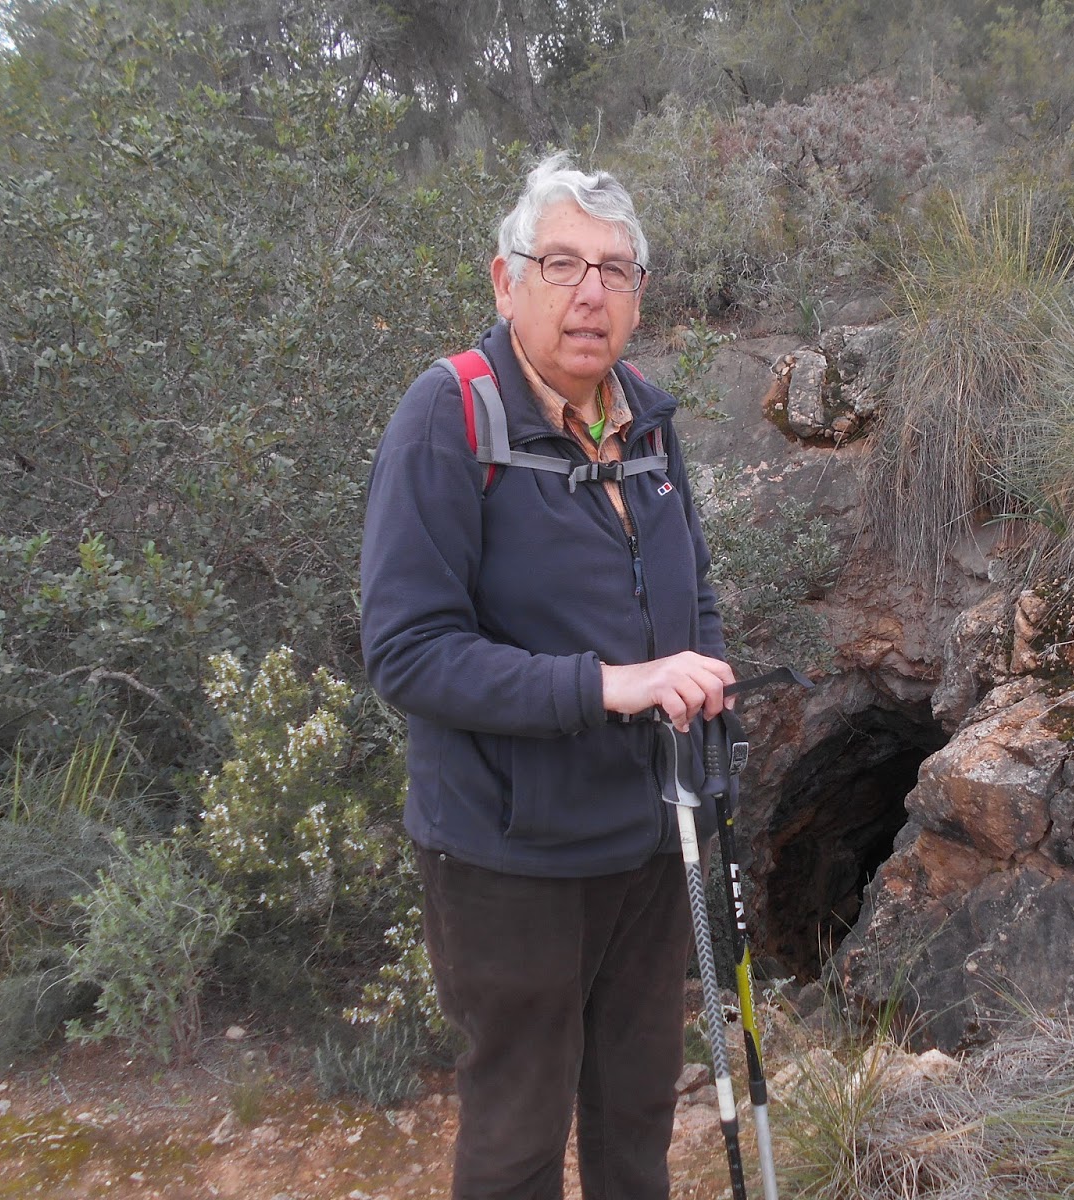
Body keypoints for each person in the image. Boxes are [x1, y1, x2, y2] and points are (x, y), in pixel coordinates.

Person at [360, 152, 735, 1200]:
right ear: (504, 279)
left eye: (616, 270)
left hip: (648, 839)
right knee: (519, 1136)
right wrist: (603, 685)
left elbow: (690, 598)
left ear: (639, 293)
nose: (590, 293)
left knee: (636, 1116)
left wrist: (705, 708)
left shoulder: (648, 424)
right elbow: (406, 650)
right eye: (561, 262)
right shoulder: (449, 418)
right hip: (505, 856)